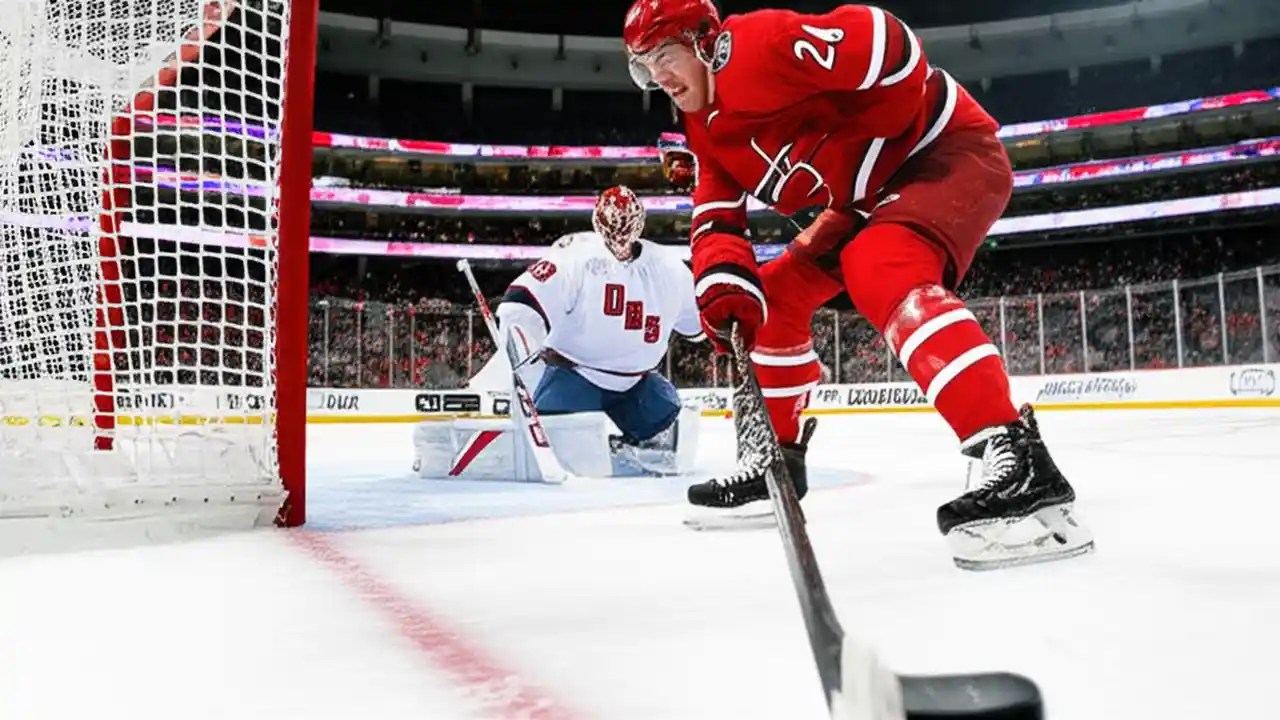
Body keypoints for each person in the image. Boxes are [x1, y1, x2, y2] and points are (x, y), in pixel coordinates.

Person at [622, 0, 1093, 568]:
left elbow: (886, 42)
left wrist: (885, 117)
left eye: (665, 56)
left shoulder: (757, 47)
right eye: (643, 67)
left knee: (880, 263)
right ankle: (777, 461)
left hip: (944, 152)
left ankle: (1018, 460)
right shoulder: (703, 124)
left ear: (704, 43)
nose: (657, 78)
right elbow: (717, 217)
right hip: (866, 199)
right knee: (774, 299)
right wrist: (725, 286)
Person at [495, 185, 704, 473]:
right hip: (573, 378)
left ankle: (630, 434)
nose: (620, 233)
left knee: (666, 412)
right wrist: (531, 375)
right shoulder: (574, 257)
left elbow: (698, 326)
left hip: (636, 385)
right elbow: (518, 307)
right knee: (568, 441)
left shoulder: (670, 268)